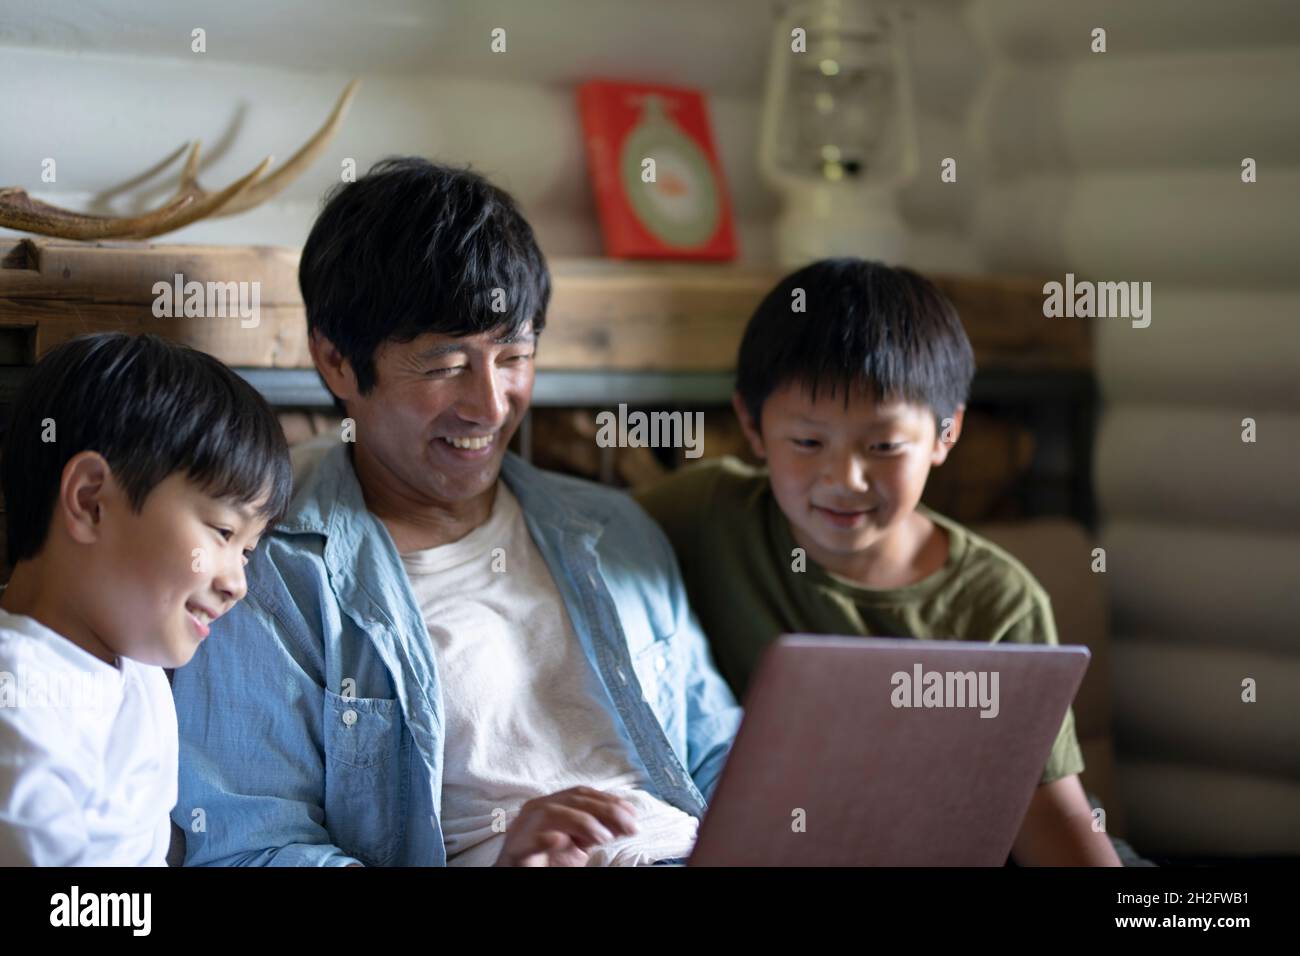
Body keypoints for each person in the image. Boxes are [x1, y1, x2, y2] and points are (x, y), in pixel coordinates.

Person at [170, 157, 742, 867]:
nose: (490, 406)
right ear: (337, 362)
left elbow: (723, 754)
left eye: (514, 356)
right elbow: (249, 850)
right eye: (445, 366)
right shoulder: (268, 566)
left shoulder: (615, 532)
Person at [636, 258, 1123, 865]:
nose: (844, 479)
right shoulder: (705, 514)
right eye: (808, 442)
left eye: (884, 446)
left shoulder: (998, 602)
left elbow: (1052, 810)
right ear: (753, 427)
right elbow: (572, 540)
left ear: (946, 433)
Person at [0, 333, 291, 865]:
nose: (237, 582)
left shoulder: (137, 674)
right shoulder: (19, 704)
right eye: (223, 532)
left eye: (246, 551)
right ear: (91, 503)